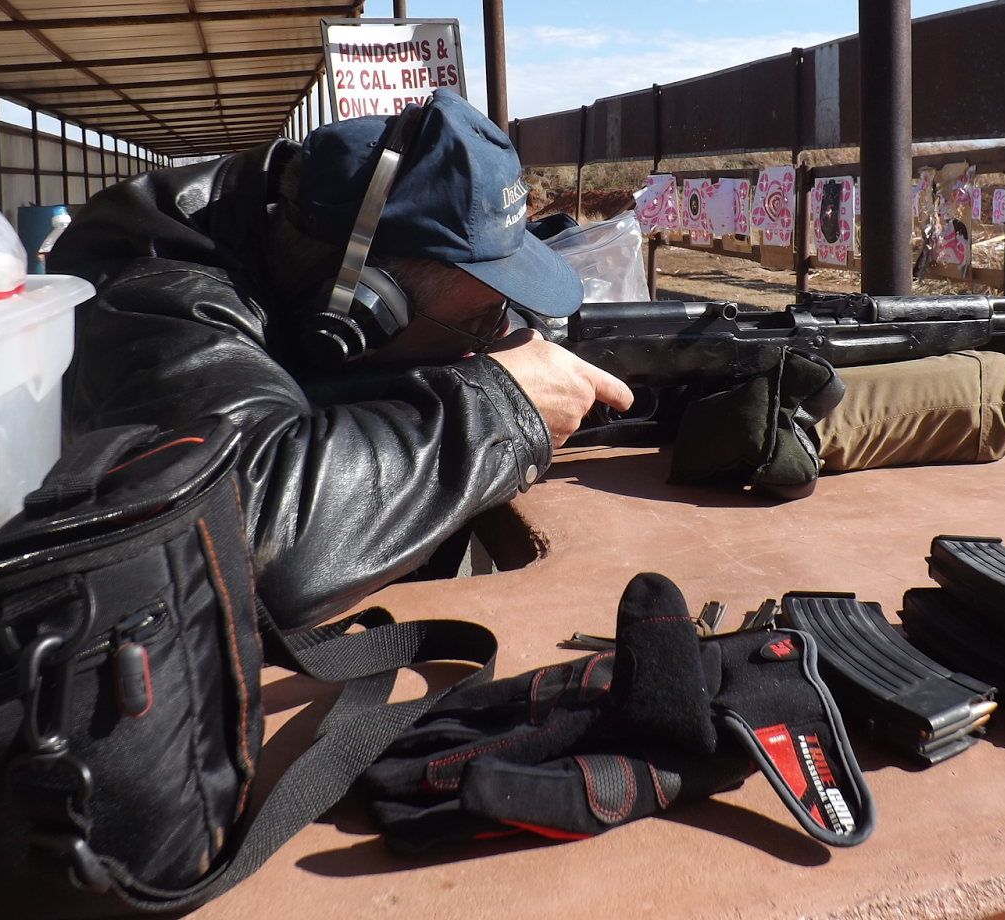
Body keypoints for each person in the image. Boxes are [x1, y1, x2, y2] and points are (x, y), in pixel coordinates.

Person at [50, 89, 631, 623]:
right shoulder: (152, 290)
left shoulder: (282, 244)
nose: (497, 334)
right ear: (361, 311)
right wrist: (500, 408)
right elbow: (249, 540)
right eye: (479, 320)